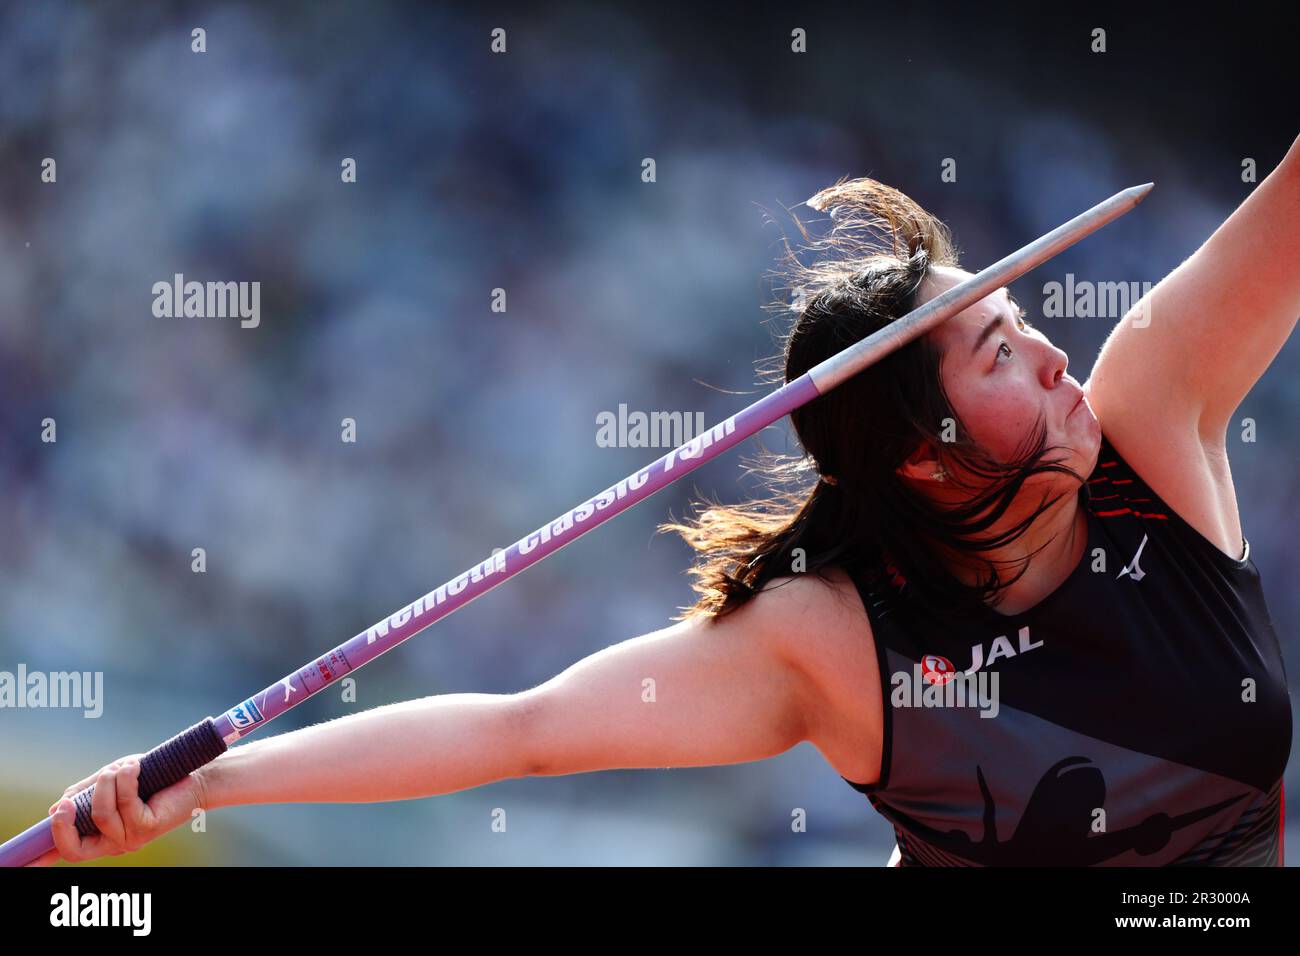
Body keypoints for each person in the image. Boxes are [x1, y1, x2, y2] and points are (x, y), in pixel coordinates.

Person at [30, 136, 1298, 867]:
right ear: (921, 452)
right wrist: (205, 786)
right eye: (1000, 353)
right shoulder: (833, 641)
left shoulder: (1152, 425)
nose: (1055, 358)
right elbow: (514, 730)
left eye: (1026, 328)